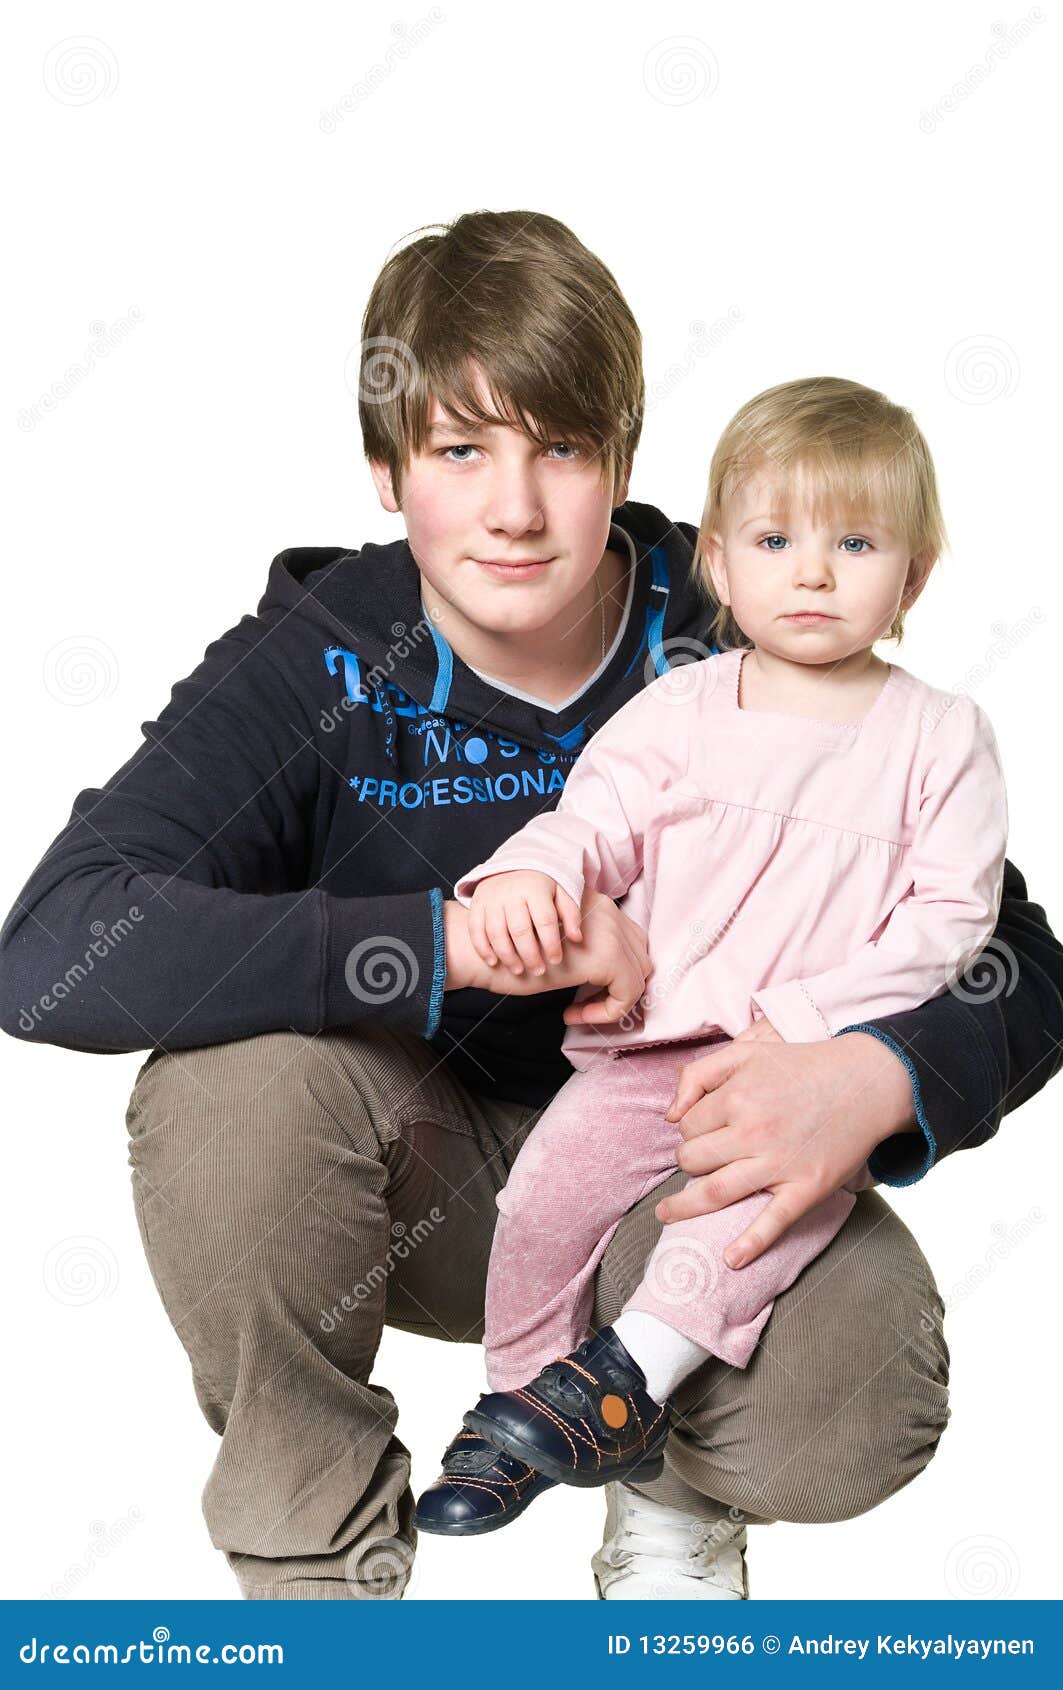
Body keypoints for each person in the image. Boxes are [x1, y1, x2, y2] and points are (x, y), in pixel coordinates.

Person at [0, 211, 1059, 1602]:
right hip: (404, 1177)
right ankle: (317, 1563)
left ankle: (663, 1489)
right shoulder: (327, 654)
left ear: (619, 461)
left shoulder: (746, 596)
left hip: (678, 1169)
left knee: (850, 1391)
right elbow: (58, 948)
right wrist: (452, 941)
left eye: (557, 448)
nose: (512, 507)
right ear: (387, 473)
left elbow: (1016, 957)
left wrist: (872, 1074)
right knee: (227, 1088)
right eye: (459, 450)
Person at [412, 379, 1008, 1576]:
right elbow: (590, 823)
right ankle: (522, 1411)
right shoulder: (679, 710)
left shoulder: (937, 737)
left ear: (915, 575)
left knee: (736, 1232)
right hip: (649, 1053)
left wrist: (809, 1028)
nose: (815, 574)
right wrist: (527, 879)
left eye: (854, 544)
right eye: (776, 541)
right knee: (540, 1201)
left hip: (800, 1076)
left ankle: (627, 1379)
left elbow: (950, 921)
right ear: (721, 565)